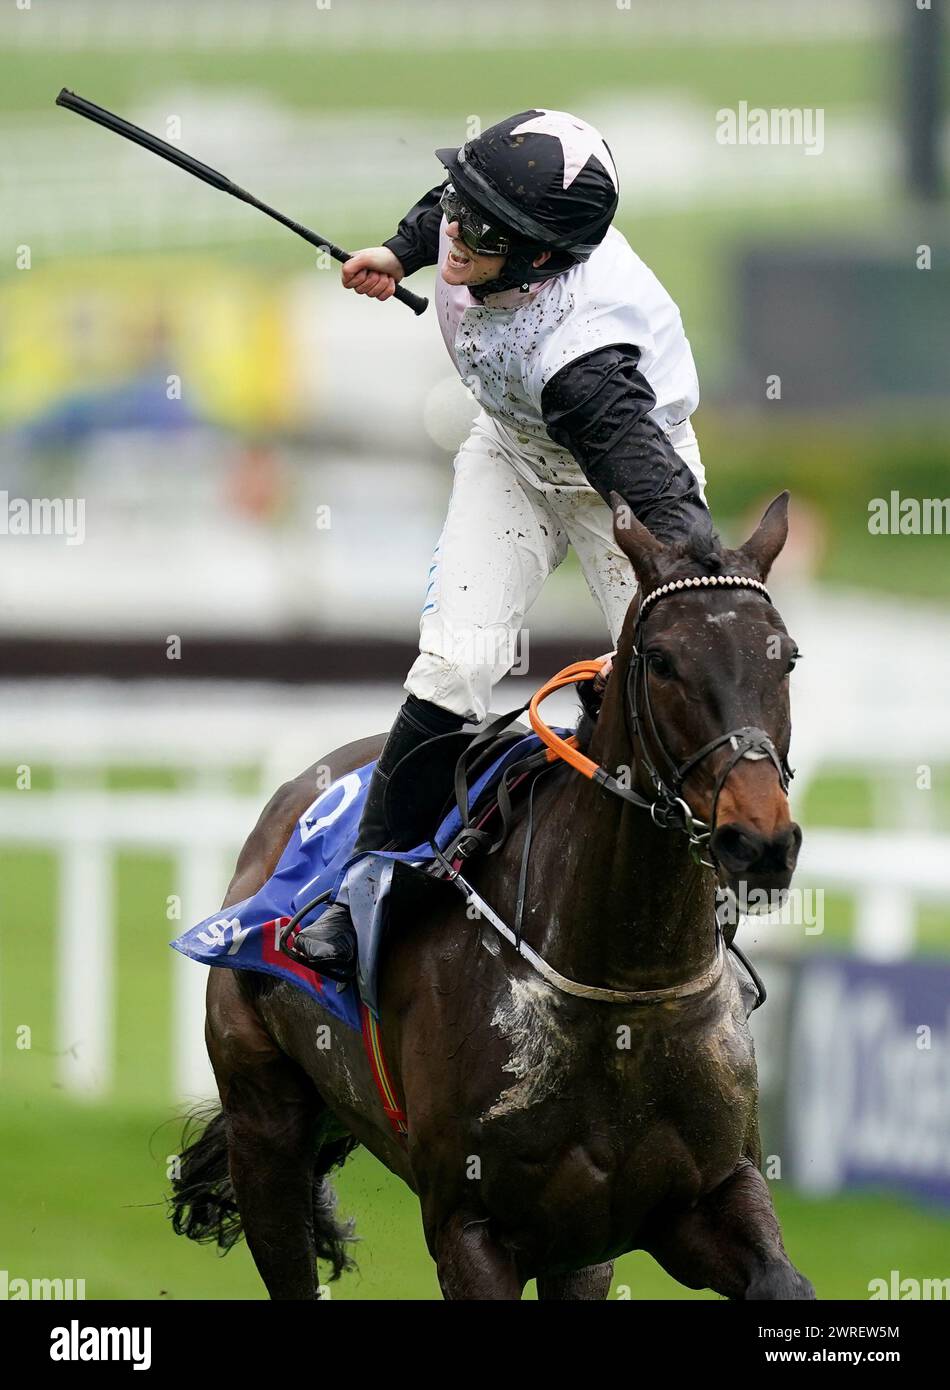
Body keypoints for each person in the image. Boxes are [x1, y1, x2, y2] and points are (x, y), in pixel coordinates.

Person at [293, 109, 712, 980]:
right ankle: (362, 893)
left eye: (481, 231)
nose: (458, 233)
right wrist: (398, 252)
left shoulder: (587, 365)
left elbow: (662, 505)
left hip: (618, 487)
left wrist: (699, 588)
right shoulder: (484, 221)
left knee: (677, 674)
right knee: (453, 668)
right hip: (510, 453)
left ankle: (704, 905)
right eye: (462, 210)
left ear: (541, 257)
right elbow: (451, 202)